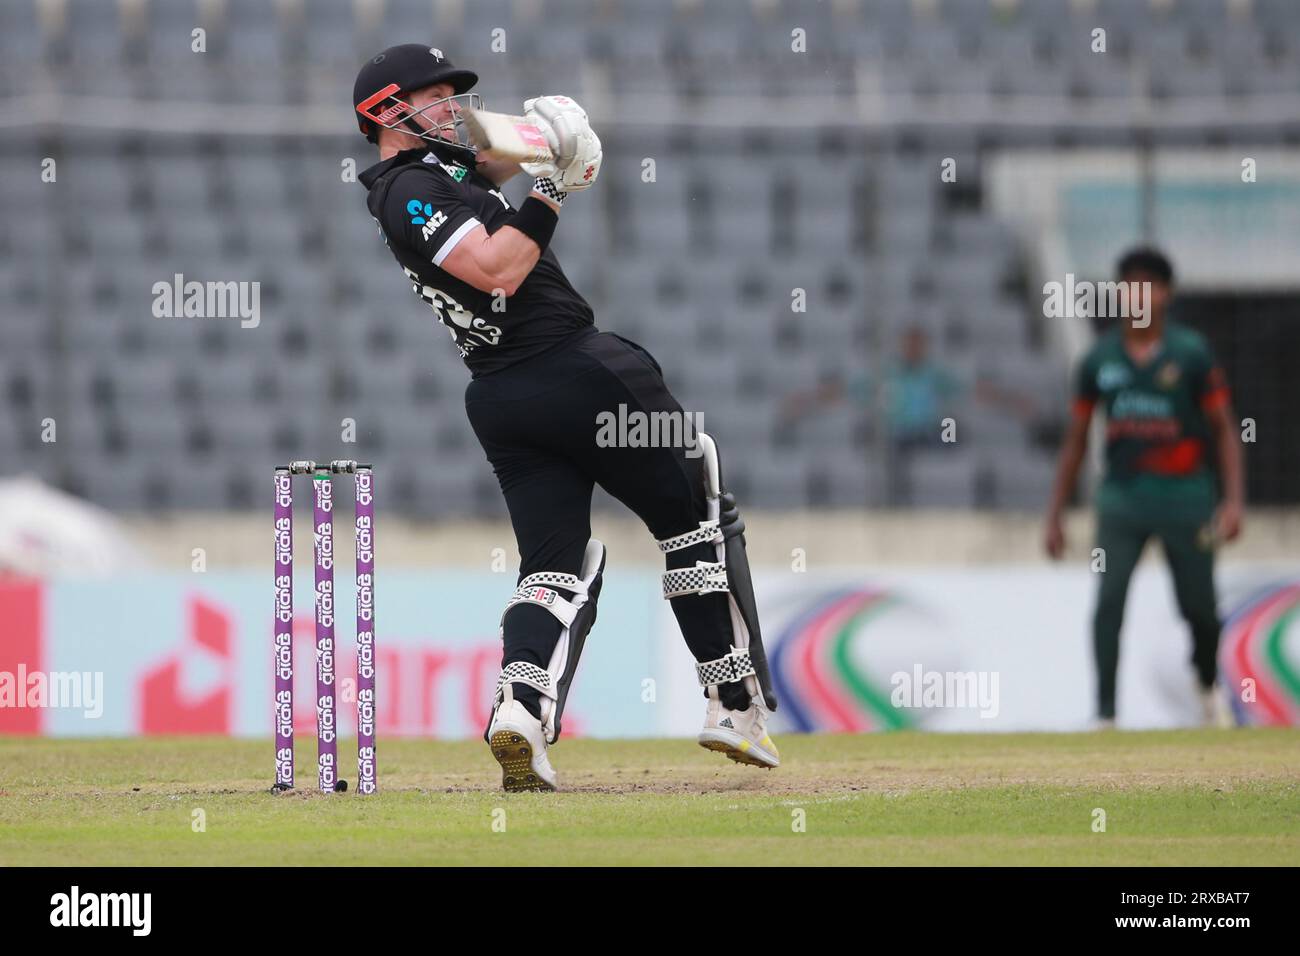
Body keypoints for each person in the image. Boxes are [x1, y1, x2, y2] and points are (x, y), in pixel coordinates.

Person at [352, 45, 779, 791]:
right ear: (387, 113)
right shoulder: (408, 188)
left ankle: (520, 707)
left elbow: (489, 159)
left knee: (557, 566)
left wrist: (547, 138)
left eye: (459, 96)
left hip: (504, 401)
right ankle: (732, 701)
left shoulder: (432, 177)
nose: (455, 110)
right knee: (692, 510)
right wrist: (553, 186)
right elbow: (498, 267)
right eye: (436, 98)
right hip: (579, 372)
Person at [1043, 247, 1243, 728]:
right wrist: (1055, 513)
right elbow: (1075, 441)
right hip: (1122, 500)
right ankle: (1106, 715)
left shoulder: (1190, 354)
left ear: (1166, 294)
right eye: (1128, 285)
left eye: (1148, 285)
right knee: (1108, 601)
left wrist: (1233, 501)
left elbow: (1223, 428)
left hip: (1186, 496)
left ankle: (1206, 682)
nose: (1137, 295)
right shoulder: (1098, 360)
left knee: (1199, 608)